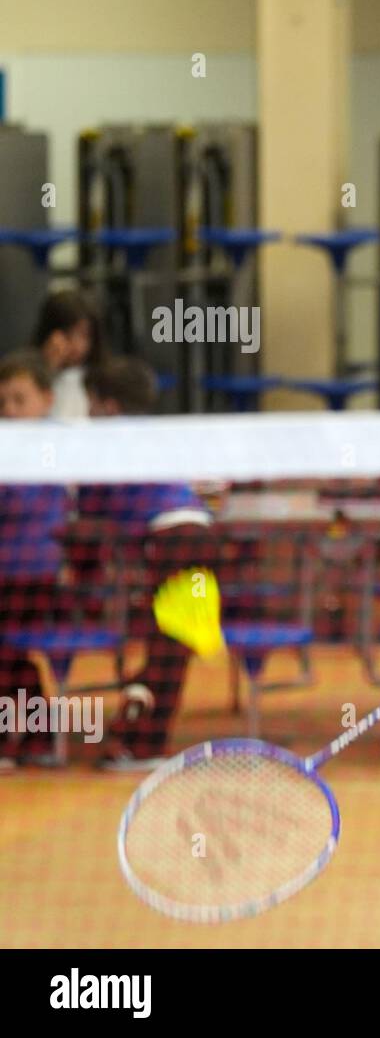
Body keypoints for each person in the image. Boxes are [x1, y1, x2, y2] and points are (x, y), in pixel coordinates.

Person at [78, 356, 217, 769]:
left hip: (170, 542)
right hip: (203, 538)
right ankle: (141, 736)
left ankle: (141, 743)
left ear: (108, 406)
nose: (87, 413)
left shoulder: (105, 442)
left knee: (170, 645)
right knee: (174, 645)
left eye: (90, 403)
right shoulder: (158, 436)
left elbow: (91, 509)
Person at [0, 351, 68, 769]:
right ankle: (37, 734)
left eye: (18, 400)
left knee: (8, 650)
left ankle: (15, 737)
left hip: (36, 575)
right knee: (10, 653)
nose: (8, 410)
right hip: (7, 572)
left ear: (46, 399)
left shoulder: (52, 446)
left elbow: (22, 501)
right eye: (2, 402)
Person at [32, 289, 105, 422]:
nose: (76, 345)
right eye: (68, 334)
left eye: (84, 335)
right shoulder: (26, 372)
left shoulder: (101, 377)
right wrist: (48, 367)